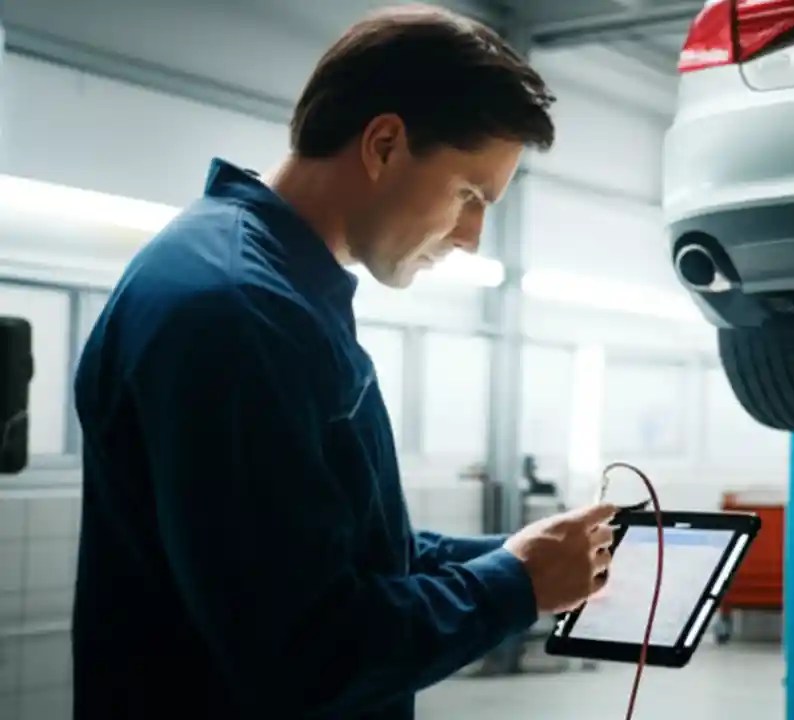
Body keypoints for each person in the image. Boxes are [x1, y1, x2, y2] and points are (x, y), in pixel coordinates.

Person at [71, 6, 616, 719]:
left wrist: (520, 555)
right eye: (468, 195)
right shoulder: (241, 312)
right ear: (384, 143)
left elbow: (330, 552)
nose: (473, 238)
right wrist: (515, 586)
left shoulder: (261, 286)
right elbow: (310, 651)